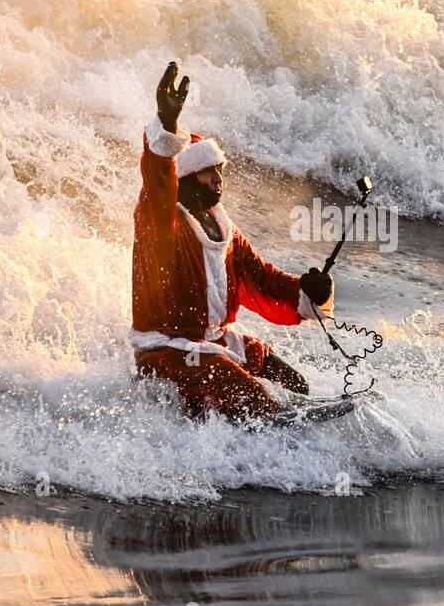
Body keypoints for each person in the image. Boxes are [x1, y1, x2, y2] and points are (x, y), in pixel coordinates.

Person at [131, 61, 334, 421]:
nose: (218, 180)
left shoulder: (226, 232)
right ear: (189, 178)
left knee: (294, 383)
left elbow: (265, 281)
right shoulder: (160, 220)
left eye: (220, 171)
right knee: (249, 392)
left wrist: (309, 290)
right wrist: (166, 125)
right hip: (167, 349)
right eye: (209, 173)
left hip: (215, 342)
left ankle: (281, 419)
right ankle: (275, 431)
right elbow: (158, 177)